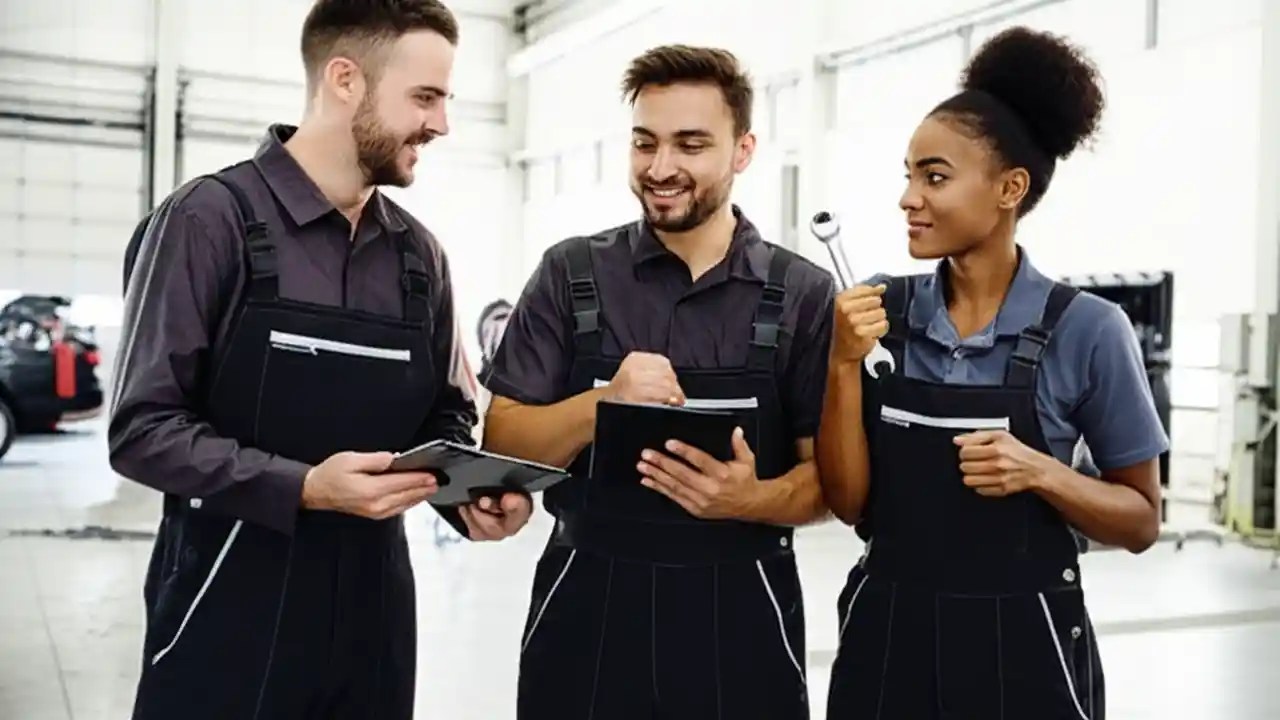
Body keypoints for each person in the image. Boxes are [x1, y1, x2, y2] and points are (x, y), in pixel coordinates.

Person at [108, 2, 532, 718]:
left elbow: (447, 413)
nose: (442, 124)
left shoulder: (419, 256)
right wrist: (305, 487)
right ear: (345, 80)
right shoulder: (208, 222)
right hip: (225, 601)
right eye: (424, 98)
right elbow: (141, 429)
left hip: (374, 616)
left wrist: (471, 499)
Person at [818, 27, 1168, 720]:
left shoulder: (1089, 330)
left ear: (1010, 188)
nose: (908, 198)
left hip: (1027, 643)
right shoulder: (882, 310)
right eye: (909, 174)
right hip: (889, 636)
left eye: (935, 177)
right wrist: (840, 364)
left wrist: (1040, 472)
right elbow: (851, 505)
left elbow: (1141, 522)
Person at [479, 45, 837, 720]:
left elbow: (832, 484)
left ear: (743, 150)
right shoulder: (569, 274)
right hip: (588, 611)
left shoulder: (801, 296)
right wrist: (600, 404)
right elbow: (502, 443)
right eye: (645, 144)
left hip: (744, 617)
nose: (660, 168)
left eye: (690, 145)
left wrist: (750, 498)